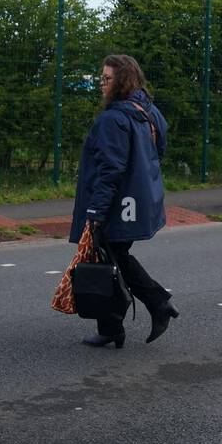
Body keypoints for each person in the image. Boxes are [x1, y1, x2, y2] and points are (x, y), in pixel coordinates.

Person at [69, 54, 178, 348]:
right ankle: (114, 325)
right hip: (140, 200)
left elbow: (110, 170)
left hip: (116, 204)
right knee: (111, 257)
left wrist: (95, 211)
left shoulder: (113, 119)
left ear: (121, 81)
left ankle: (155, 305)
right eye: (100, 78)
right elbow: (159, 151)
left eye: (106, 79)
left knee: (109, 255)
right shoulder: (149, 111)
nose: (101, 84)